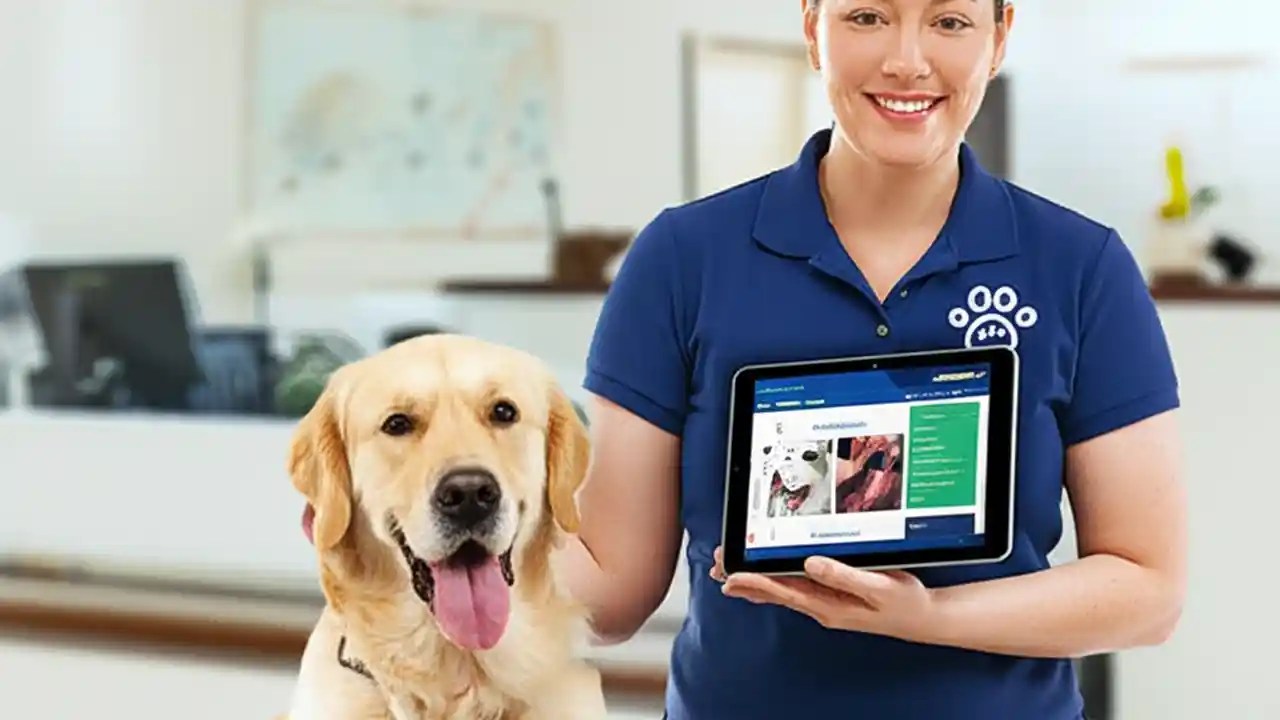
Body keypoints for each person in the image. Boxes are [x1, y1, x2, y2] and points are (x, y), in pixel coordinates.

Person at [560, 0, 1187, 718]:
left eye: (949, 22)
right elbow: (611, 596)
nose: (907, 60)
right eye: (867, 16)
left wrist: (925, 618)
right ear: (811, 27)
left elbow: (1149, 594)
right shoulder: (682, 259)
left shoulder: (1082, 268)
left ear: (999, 36)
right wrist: (438, 556)